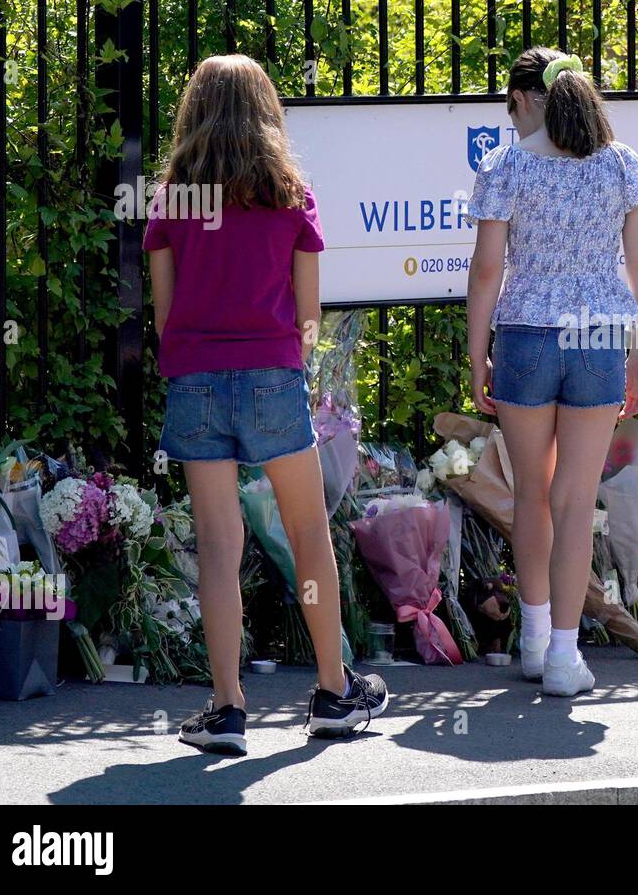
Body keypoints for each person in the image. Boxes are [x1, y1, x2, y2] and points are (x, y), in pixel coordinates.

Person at [146, 54, 388, 755]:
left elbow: (164, 319)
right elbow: (309, 314)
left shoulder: (171, 200)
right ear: (266, 114)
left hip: (195, 379)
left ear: (194, 112)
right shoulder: (290, 196)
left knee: (219, 546)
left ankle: (226, 709)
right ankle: (334, 691)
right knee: (310, 532)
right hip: (272, 376)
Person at [465, 47, 638, 697]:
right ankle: (565, 659)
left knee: (532, 497)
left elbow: (487, 270)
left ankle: (533, 636)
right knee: (577, 502)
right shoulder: (623, 163)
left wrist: (476, 354)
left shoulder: (506, 164)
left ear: (526, 99)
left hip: (525, 336)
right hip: (600, 335)